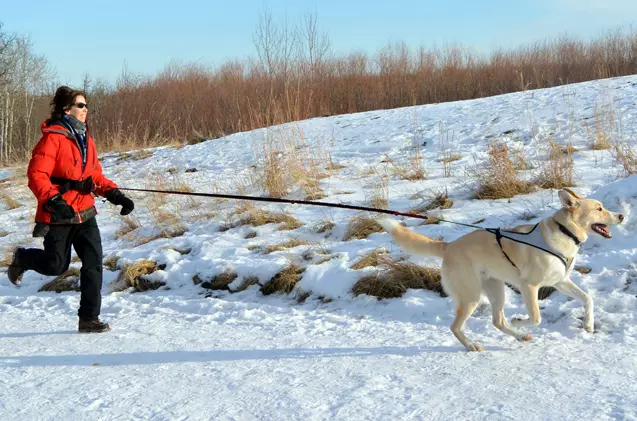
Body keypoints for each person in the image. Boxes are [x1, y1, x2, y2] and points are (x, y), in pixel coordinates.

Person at [7, 86, 135, 333]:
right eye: (80, 105)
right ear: (67, 109)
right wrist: (54, 200)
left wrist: (115, 194)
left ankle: (89, 318)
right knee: (56, 266)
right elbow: (37, 175)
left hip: (85, 212)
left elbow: (94, 176)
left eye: (86, 105)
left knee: (93, 264)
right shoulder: (52, 138)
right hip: (60, 214)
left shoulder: (86, 139)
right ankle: (22, 258)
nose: (86, 110)